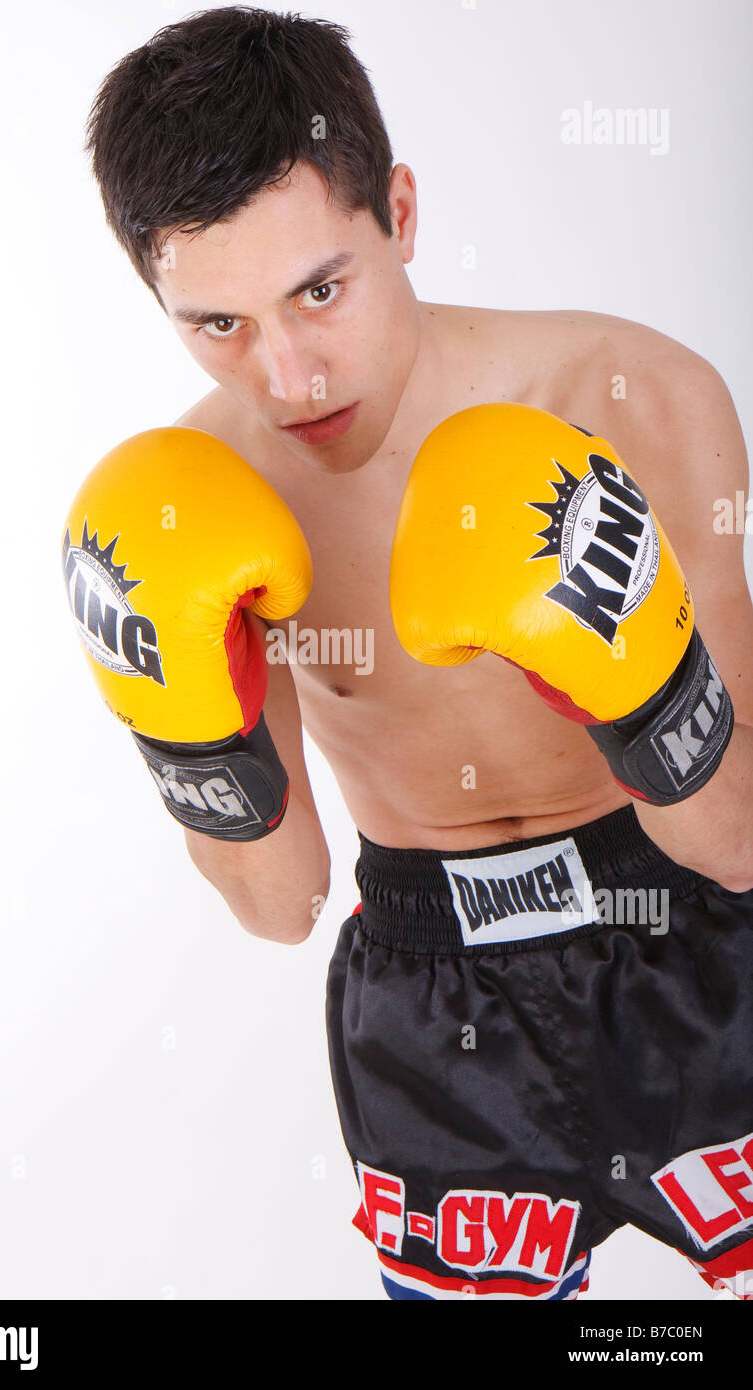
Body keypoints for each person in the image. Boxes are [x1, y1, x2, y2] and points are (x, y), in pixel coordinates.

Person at [69, 6, 753, 1299]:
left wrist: (638, 674)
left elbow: (733, 838)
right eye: (214, 323)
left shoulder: (631, 396)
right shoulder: (192, 499)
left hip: (690, 931)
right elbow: (278, 903)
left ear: (399, 208)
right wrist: (182, 723)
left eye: (318, 289)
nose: (286, 372)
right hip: (430, 987)